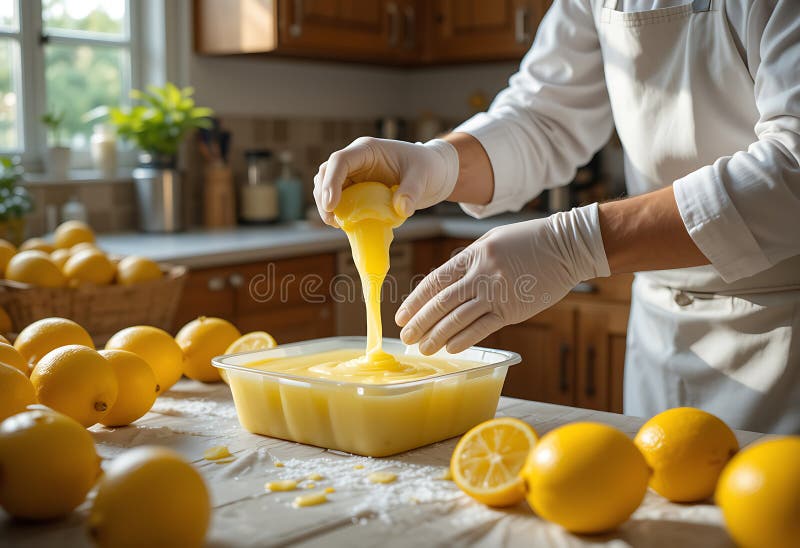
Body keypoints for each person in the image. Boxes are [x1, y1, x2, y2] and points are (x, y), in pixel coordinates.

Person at [313, 0, 799, 434]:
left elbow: (792, 168)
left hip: (785, 328)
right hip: (663, 328)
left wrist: (574, 245)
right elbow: (543, 117)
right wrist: (437, 164)